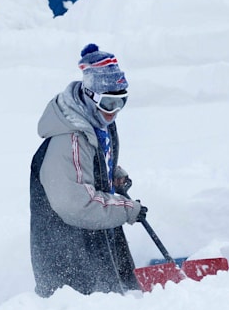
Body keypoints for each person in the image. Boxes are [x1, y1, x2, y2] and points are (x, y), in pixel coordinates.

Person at [29, 43, 147, 297]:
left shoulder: (95, 121)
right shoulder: (68, 139)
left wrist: (110, 173)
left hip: (95, 242)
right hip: (69, 260)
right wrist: (127, 210)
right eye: (109, 102)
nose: (114, 111)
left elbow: (88, 160)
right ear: (90, 96)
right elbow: (76, 204)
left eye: (121, 102)